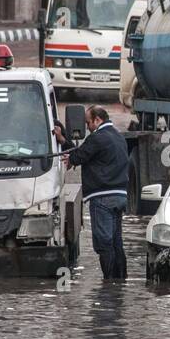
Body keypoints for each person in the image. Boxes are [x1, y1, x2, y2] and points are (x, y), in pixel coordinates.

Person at [64, 105, 129, 279]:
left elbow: (79, 156)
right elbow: (83, 153)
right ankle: (121, 281)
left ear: (97, 120)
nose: (87, 127)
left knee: (103, 243)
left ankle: (109, 283)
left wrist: (69, 156)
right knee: (116, 242)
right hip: (120, 196)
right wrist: (65, 141)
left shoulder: (98, 138)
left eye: (88, 123)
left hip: (102, 197)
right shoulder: (118, 136)